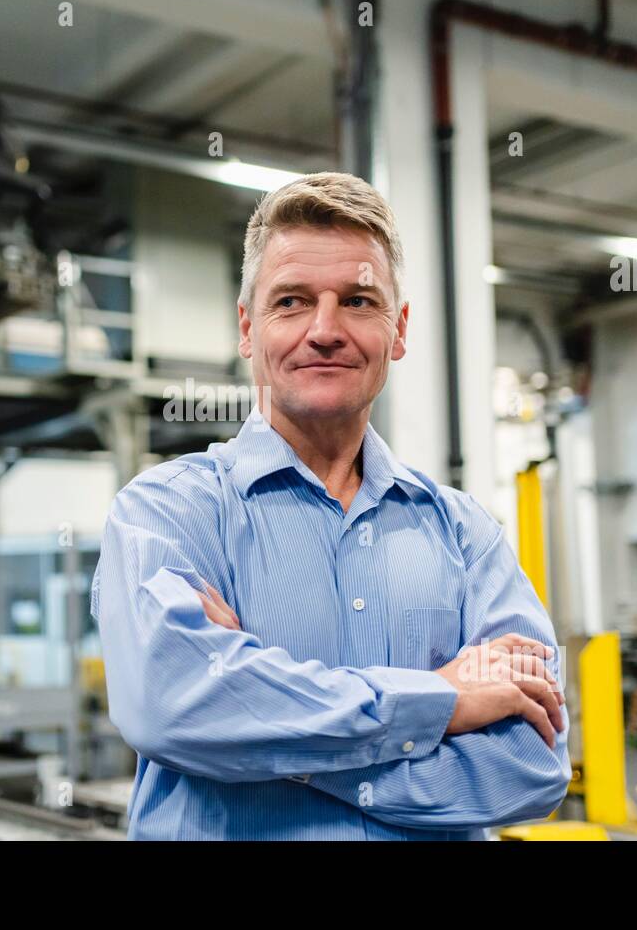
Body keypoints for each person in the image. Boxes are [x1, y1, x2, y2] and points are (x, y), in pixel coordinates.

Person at [91, 172, 570, 840]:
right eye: (290, 301)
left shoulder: (466, 533)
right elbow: (170, 709)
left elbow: (533, 764)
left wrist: (256, 733)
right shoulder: (167, 515)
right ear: (247, 328)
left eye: (357, 301)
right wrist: (442, 701)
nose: (324, 330)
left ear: (397, 330)